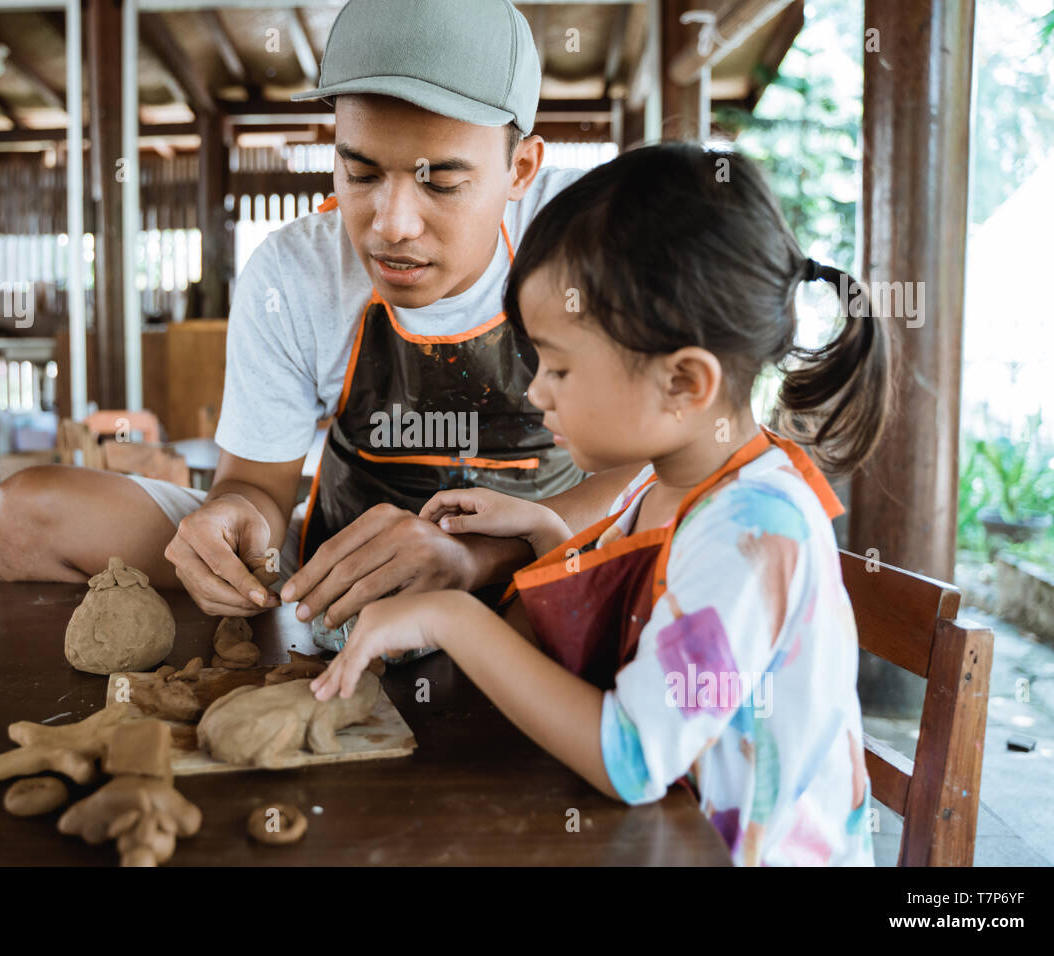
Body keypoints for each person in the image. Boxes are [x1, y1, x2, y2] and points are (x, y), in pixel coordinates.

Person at [312, 143, 892, 866]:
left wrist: (448, 615)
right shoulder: (669, 483)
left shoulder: (753, 532)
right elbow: (624, 617)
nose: (535, 393)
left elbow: (634, 758)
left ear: (684, 383)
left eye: (557, 366)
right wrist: (545, 530)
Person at [0, 0, 639, 633]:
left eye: (440, 182)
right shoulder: (292, 273)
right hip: (329, 575)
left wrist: (477, 559)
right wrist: (232, 519)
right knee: (24, 516)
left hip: (544, 560)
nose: (392, 226)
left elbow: (656, 464)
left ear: (520, 168)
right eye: (359, 173)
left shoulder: (593, 241)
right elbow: (257, 487)